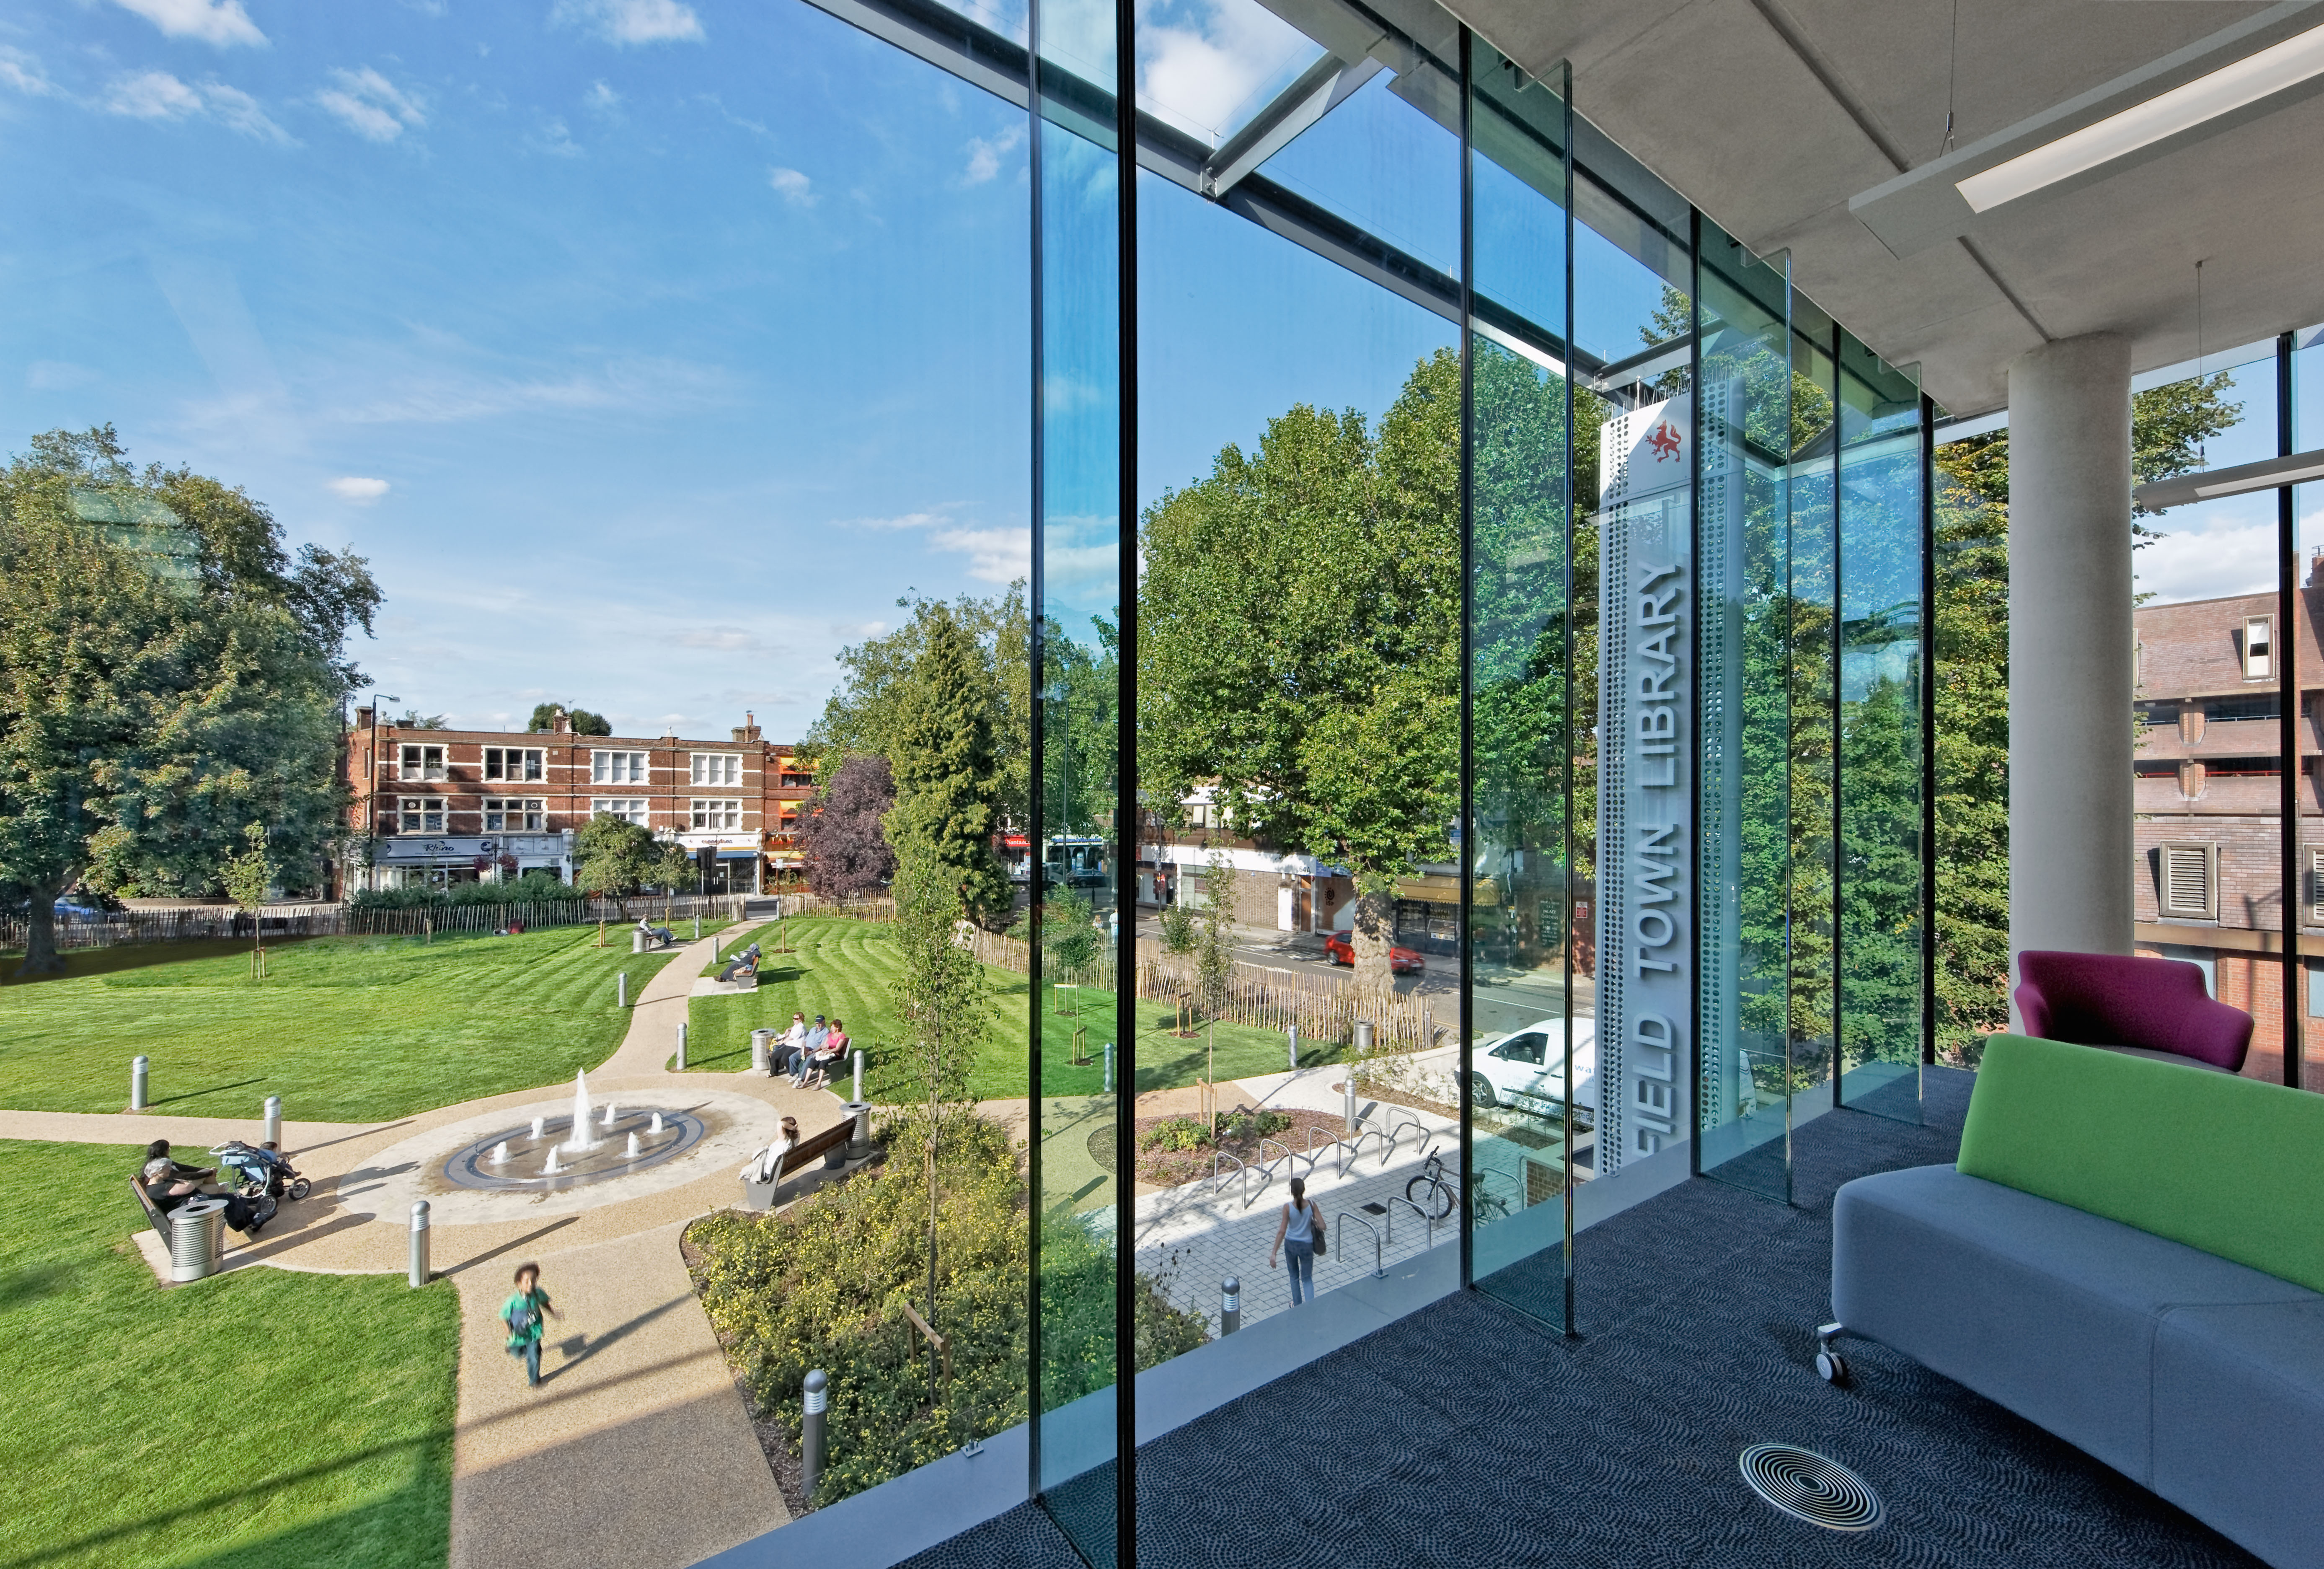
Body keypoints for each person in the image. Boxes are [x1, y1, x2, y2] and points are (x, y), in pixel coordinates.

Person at [140, 1138, 273, 1237]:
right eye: (167, 1169)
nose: (169, 1170)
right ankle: (250, 1221)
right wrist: (185, 1181)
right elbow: (188, 1187)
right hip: (191, 1207)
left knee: (230, 1198)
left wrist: (204, 1173)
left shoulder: (158, 1183)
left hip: (191, 1203)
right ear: (156, 1172)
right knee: (228, 1200)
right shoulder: (161, 1187)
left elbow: (185, 1176)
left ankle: (254, 1219)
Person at [501, 1262, 562, 1388]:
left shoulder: (538, 1293)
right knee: (517, 1352)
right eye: (527, 1281)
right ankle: (512, 1347)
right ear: (519, 1283)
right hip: (518, 1333)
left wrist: (553, 1313)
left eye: (534, 1280)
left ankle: (534, 1380)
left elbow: (545, 1303)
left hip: (534, 1332)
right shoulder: (512, 1301)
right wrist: (507, 1330)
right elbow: (503, 1316)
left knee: (534, 1355)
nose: (531, 1284)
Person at [1269, 1175, 1324, 1307]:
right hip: (1307, 1245)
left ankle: (1298, 1306)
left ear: (1292, 1192)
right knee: (1307, 1278)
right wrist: (1313, 1221)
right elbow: (1323, 1226)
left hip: (1291, 1244)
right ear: (1304, 1190)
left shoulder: (1287, 1208)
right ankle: (1310, 1307)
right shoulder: (1312, 1205)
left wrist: (1274, 1253)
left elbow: (1282, 1231)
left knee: (1294, 1277)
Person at [739, 1116, 800, 1186]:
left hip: (769, 1173)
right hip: (781, 1169)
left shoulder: (784, 1141)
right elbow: (792, 1131)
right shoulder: (796, 1139)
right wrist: (794, 1129)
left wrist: (793, 1128)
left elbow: (780, 1124)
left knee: (746, 1171)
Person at [770, 1012, 808, 1077]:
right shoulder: (796, 1026)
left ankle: (794, 1074)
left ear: (801, 1019)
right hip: (789, 1045)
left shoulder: (801, 1027)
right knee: (775, 1055)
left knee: (784, 1058)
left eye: (796, 1019)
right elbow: (793, 1028)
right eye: (793, 1018)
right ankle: (773, 1073)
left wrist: (782, 1042)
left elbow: (791, 1038)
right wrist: (789, 1029)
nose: (794, 1020)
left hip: (796, 1047)